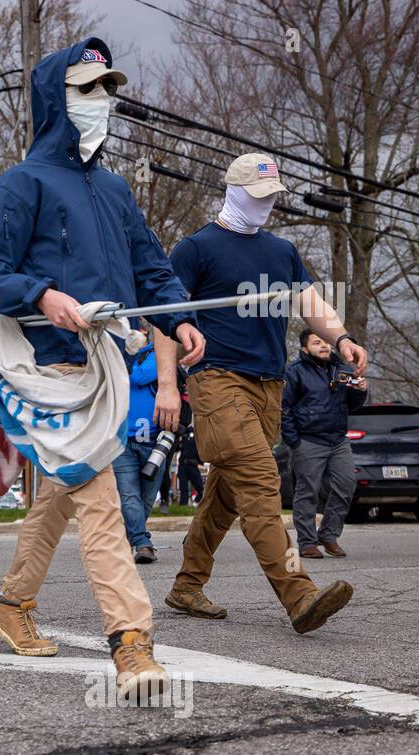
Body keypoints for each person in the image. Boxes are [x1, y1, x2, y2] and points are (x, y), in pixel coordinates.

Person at [0, 38, 207, 699]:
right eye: (89, 89)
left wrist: (178, 319)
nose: (104, 102)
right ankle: (132, 644)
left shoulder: (117, 190)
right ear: (55, 99)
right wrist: (41, 294)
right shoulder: (21, 183)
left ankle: (11, 603)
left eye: (108, 89)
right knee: (99, 499)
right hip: (46, 368)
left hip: (108, 371)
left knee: (62, 493)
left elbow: (152, 269)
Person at [165, 153, 368, 633]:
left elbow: (311, 303)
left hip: (269, 386)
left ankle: (186, 585)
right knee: (260, 483)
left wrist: (341, 339)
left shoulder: (281, 251)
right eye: (257, 197)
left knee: (226, 496)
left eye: (272, 197)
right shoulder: (195, 248)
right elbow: (165, 316)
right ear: (232, 190)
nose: (265, 206)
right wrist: (169, 386)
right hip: (216, 380)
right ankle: (300, 595)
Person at [283, 328, 369, 559]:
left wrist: (361, 391)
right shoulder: (294, 372)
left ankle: (329, 535)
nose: (323, 346)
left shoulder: (341, 368)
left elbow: (352, 404)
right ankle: (308, 542)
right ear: (304, 348)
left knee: (346, 486)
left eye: (325, 342)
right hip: (309, 440)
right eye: (316, 342)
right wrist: (295, 441)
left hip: (338, 440)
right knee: (307, 492)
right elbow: (283, 408)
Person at [111, 329, 179, 564]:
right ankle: (142, 543)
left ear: (145, 333)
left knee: (146, 498)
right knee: (129, 495)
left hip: (154, 442)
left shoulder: (158, 356)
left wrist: (123, 360)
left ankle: (128, 539)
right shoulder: (114, 353)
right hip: (122, 442)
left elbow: (140, 376)